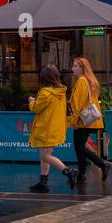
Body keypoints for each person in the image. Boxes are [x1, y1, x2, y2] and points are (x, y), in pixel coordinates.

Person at [28, 64, 73, 192]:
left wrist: (31, 101)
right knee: (46, 155)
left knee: (45, 157)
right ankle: (43, 182)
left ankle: (68, 171)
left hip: (45, 128)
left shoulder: (45, 93)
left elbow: (36, 108)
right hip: (55, 128)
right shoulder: (61, 92)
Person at [68, 56, 111, 184]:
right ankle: (81, 174)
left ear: (82, 68)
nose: (72, 68)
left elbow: (77, 104)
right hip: (89, 119)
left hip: (82, 120)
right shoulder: (90, 80)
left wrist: (73, 121)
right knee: (79, 147)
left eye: (75, 66)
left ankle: (102, 164)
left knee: (79, 147)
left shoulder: (81, 81)